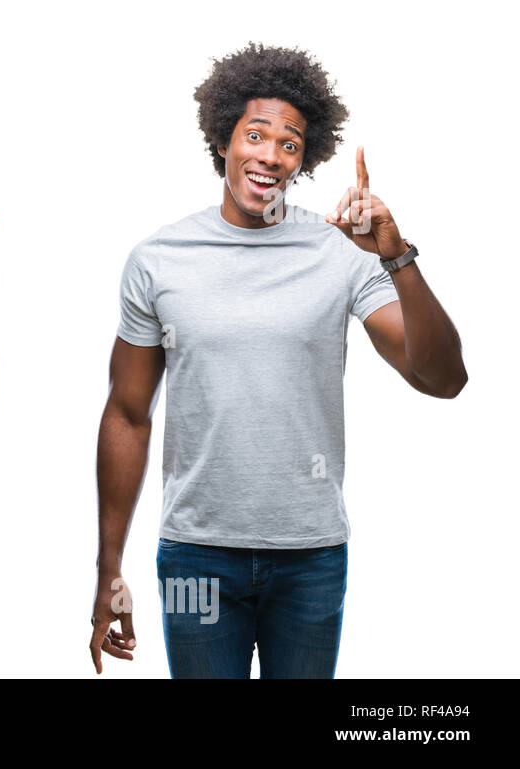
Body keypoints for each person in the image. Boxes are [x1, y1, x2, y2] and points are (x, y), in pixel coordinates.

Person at [89, 42, 467, 678]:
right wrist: (108, 569)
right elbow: (127, 414)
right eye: (255, 134)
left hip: (311, 557)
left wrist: (396, 256)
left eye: (288, 144)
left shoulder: (342, 250)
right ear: (223, 141)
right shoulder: (159, 258)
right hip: (196, 556)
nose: (269, 154)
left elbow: (444, 377)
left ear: (304, 159)